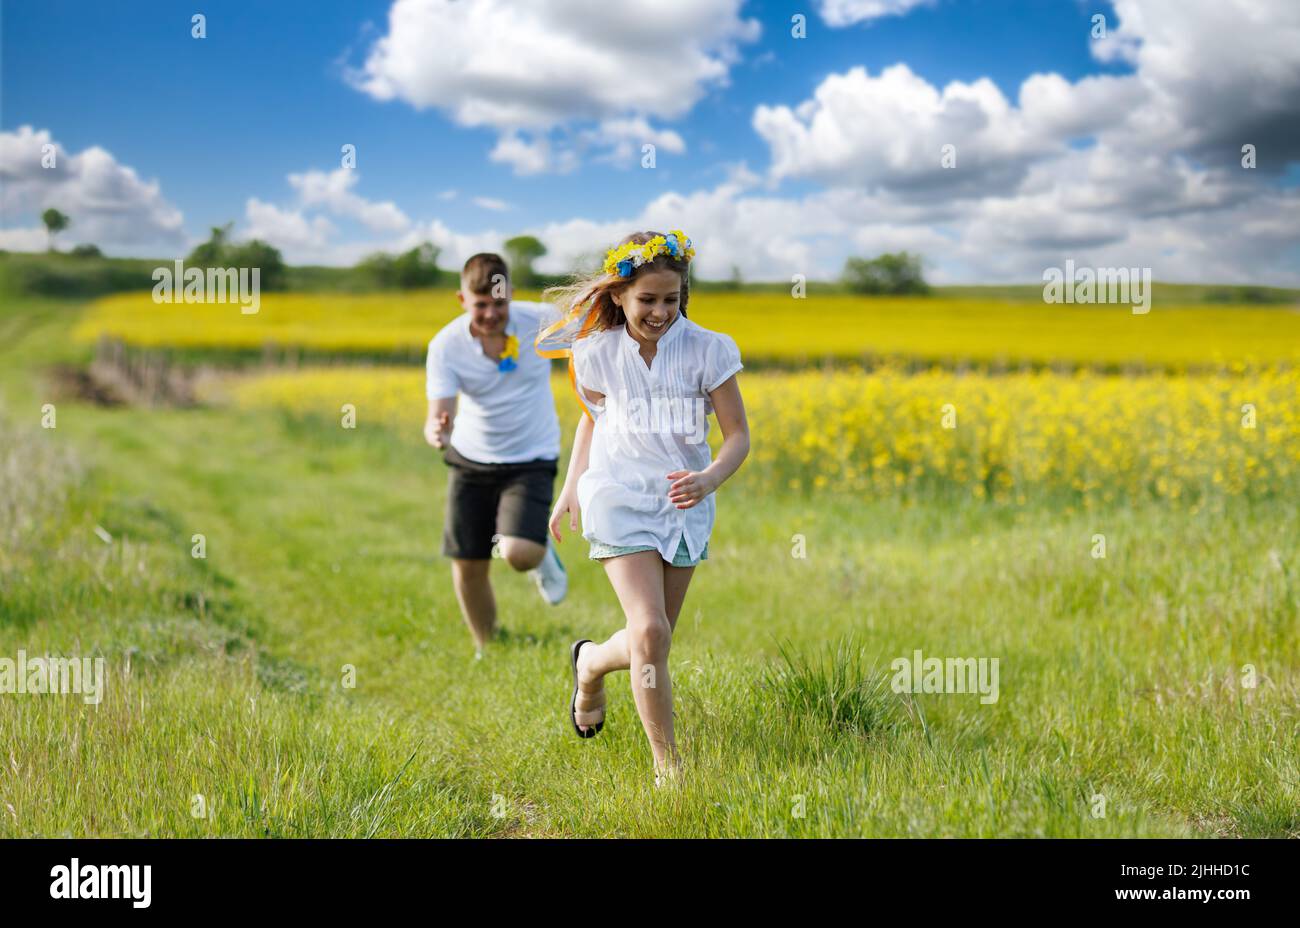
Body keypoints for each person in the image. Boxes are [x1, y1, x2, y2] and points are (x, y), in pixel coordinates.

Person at [543, 230, 750, 785]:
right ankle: (669, 769)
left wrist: (709, 479)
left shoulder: (710, 349)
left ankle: (589, 664)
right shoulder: (594, 354)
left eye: (671, 299)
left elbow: (737, 438)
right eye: (647, 300)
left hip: (684, 503)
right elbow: (595, 418)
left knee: (650, 639)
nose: (660, 311)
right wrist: (572, 486)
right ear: (618, 295)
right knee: (651, 632)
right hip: (617, 494)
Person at [425, 253, 567, 656]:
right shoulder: (446, 345)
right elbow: (438, 414)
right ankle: (487, 648)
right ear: (462, 299)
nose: (491, 314)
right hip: (471, 458)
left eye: (500, 304)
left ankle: (535, 547)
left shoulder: (541, 319)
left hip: (532, 455)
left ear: (512, 297)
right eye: (481, 305)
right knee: (468, 563)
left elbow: (601, 328)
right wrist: (437, 431)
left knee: (519, 554)